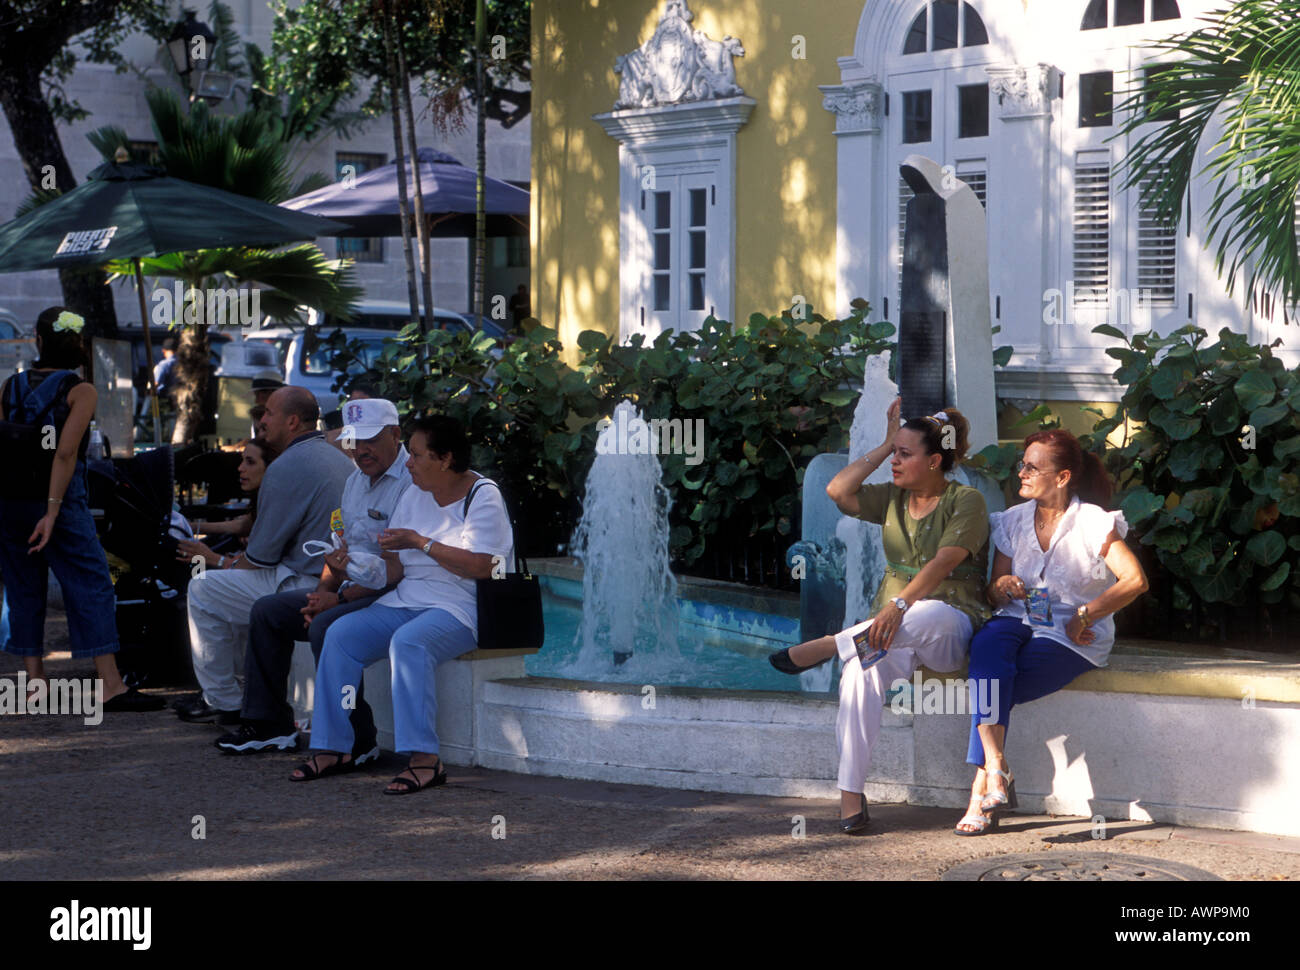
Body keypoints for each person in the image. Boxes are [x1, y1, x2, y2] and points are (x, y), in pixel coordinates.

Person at [767, 398, 989, 833]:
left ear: (935, 461)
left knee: (927, 613)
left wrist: (899, 604)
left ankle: (831, 644)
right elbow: (837, 491)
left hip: (951, 627)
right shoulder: (892, 497)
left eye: (906, 454)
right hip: (887, 632)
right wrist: (887, 443)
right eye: (895, 453)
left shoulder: (967, 500)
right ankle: (850, 797)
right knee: (857, 674)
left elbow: (945, 561)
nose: (896, 462)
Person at [290, 415, 513, 794]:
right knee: (340, 633)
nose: (408, 462)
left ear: (445, 458)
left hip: (459, 607)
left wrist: (422, 542)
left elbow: (488, 567)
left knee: (409, 642)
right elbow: (393, 572)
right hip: (406, 599)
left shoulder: (483, 494)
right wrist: (353, 568)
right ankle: (334, 746)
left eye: (417, 454)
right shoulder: (413, 494)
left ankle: (425, 760)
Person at [953, 429, 1148, 835]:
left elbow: (1134, 581)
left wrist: (1087, 613)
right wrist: (1001, 587)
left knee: (991, 684)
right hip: (1015, 618)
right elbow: (994, 590)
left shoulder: (1093, 522)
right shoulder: (1011, 521)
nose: (1020, 472)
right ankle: (995, 767)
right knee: (987, 648)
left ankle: (983, 784)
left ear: (1061, 478)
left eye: (1031, 466)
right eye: (1021, 464)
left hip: (1068, 634)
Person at [215, 398, 411, 754]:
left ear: (395, 434)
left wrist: (336, 599)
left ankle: (357, 737)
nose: (361, 450)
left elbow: (397, 570)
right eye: (354, 440)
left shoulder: (412, 482)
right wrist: (323, 591)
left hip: (397, 590)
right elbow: (336, 549)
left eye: (370, 440)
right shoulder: (355, 481)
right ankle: (268, 724)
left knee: (326, 626)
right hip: (355, 587)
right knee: (269, 612)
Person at [0, 307, 163, 711]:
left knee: (23, 589)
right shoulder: (80, 390)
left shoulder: (8, 387)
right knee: (90, 583)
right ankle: (110, 684)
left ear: (38, 340)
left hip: (9, 502)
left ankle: (35, 685)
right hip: (58, 503)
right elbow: (65, 453)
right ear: (78, 344)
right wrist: (52, 512)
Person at [175, 386, 354, 724]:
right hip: (330, 579)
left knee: (203, 589)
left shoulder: (287, 465)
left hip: (305, 584)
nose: (261, 420)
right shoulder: (334, 455)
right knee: (229, 586)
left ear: (292, 421)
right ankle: (242, 696)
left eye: (268, 413)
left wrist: (218, 561)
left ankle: (225, 701)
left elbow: (259, 558)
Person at [178, 437, 279, 562]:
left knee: (198, 572)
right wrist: (190, 526)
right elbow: (242, 525)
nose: (240, 468)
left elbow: (256, 565)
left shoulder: (277, 508)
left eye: (250, 462)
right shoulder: (265, 501)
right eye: (242, 460)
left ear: (271, 467)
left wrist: (212, 558)